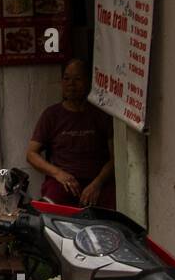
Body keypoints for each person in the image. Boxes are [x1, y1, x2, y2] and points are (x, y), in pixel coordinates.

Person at [27, 59, 115, 207]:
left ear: (89, 82)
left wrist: (97, 183)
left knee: (118, 208)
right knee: (49, 209)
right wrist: (58, 174)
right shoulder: (52, 115)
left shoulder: (101, 115)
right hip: (63, 183)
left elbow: (115, 158)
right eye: (66, 79)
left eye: (77, 79)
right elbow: (31, 154)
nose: (71, 84)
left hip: (97, 181)